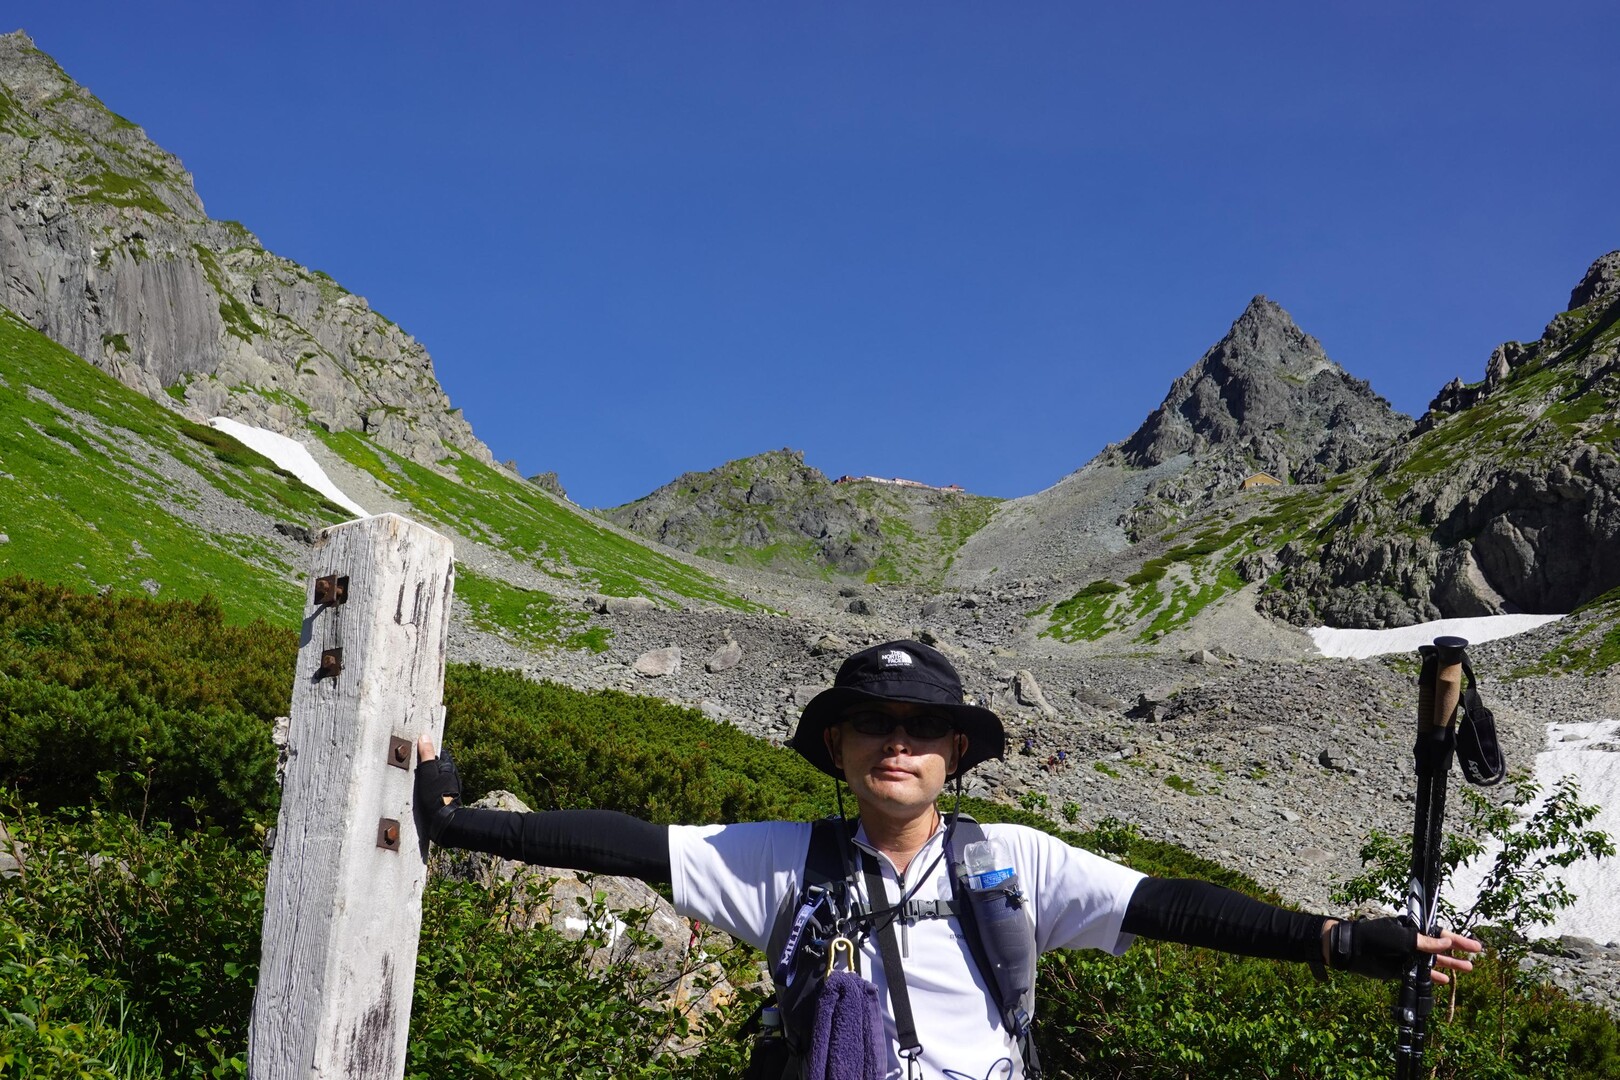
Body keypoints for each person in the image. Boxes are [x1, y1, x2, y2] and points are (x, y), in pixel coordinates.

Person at [414, 639, 1480, 1080]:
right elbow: (628, 848)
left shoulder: (1010, 862)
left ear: (956, 752)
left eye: (922, 727)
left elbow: (1176, 907)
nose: (897, 743)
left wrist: (1342, 941)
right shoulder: (784, 860)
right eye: (871, 724)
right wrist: (460, 824)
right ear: (836, 747)